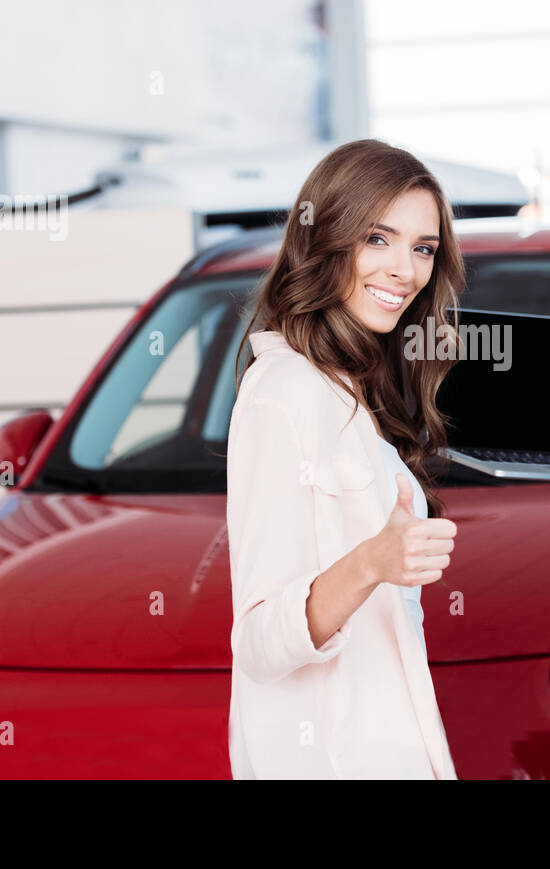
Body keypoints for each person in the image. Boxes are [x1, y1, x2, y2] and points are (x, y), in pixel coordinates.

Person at [226, 138, 465, 779]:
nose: (405, 271)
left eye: (423, 248)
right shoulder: (285, 393)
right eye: (377, 239)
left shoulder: (351, 389)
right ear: (327, 238)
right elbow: (256, 641)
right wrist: (370, 563)